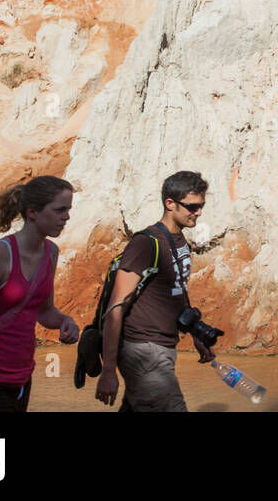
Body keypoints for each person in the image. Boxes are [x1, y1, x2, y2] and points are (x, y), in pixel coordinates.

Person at [0, 175, 80, 412]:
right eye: (60, 209)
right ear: (32, 212)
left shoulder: (51, 253)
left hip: (21, 380)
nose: (67, 217)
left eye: (68, 209)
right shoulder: (0, 255)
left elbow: (44, 311)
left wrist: (65, 320)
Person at [95, 170, 214, 412]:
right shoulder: (146, 243)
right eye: (192, 206)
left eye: (201, 206)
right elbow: (116, 307)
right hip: (143, 350)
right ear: (170, 203)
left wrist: (195, 335)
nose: (198, 212)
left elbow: (176, 294)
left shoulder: (179, 240)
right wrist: (108, 370)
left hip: (164, 347)